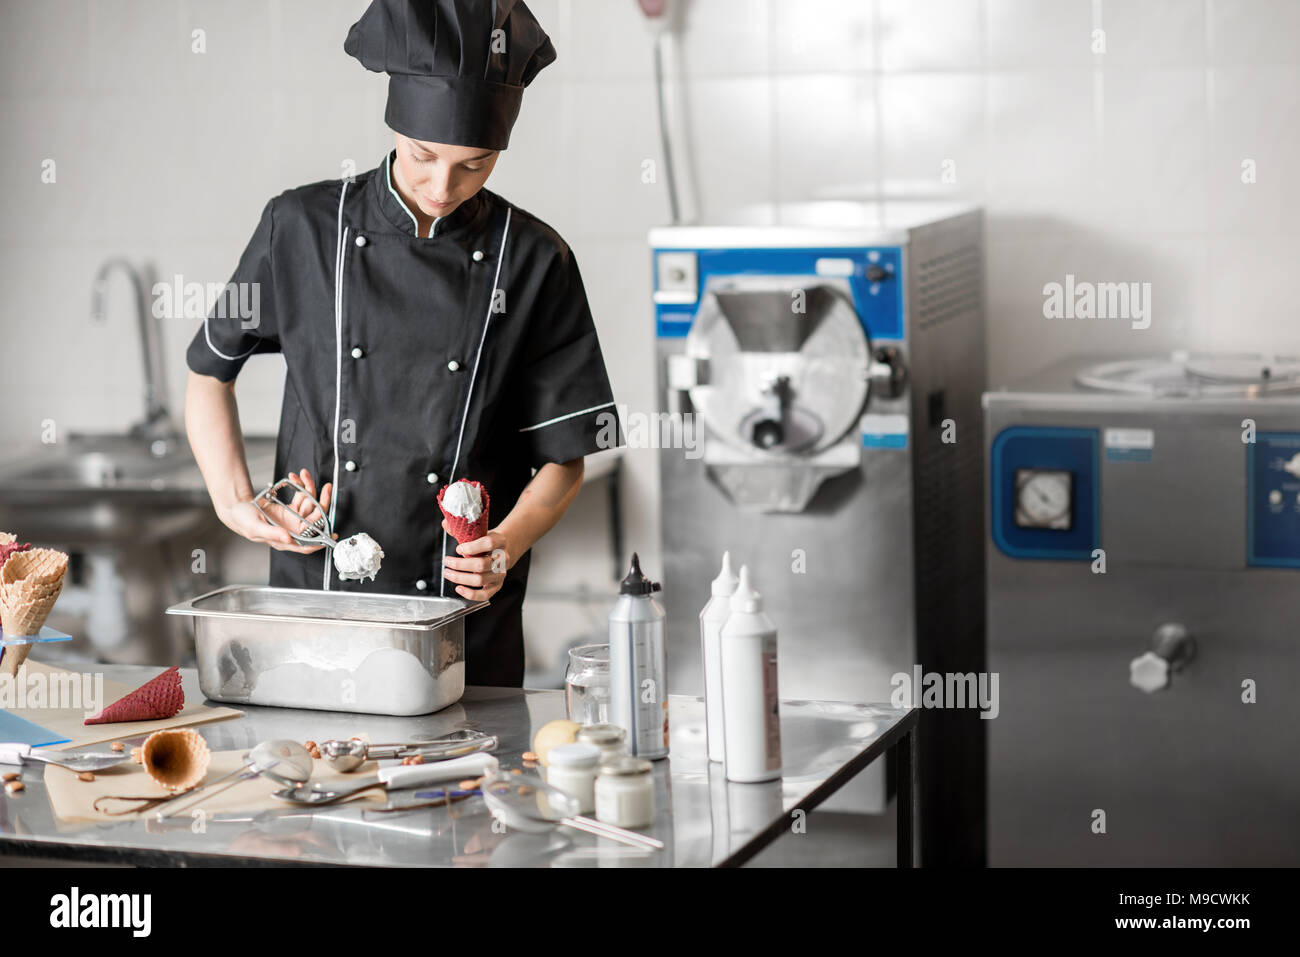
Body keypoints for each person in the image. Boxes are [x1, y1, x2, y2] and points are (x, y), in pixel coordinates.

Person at [184, 0, 621, 687]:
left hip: (462, 624)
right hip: (316, 613)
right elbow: (211, 371)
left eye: (475, 165)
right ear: (393, 126)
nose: (442, 186)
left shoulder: (535, 259)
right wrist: (233, 500)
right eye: (423, 156)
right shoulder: (298, 228)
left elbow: (565, 461)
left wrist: (504, 544)